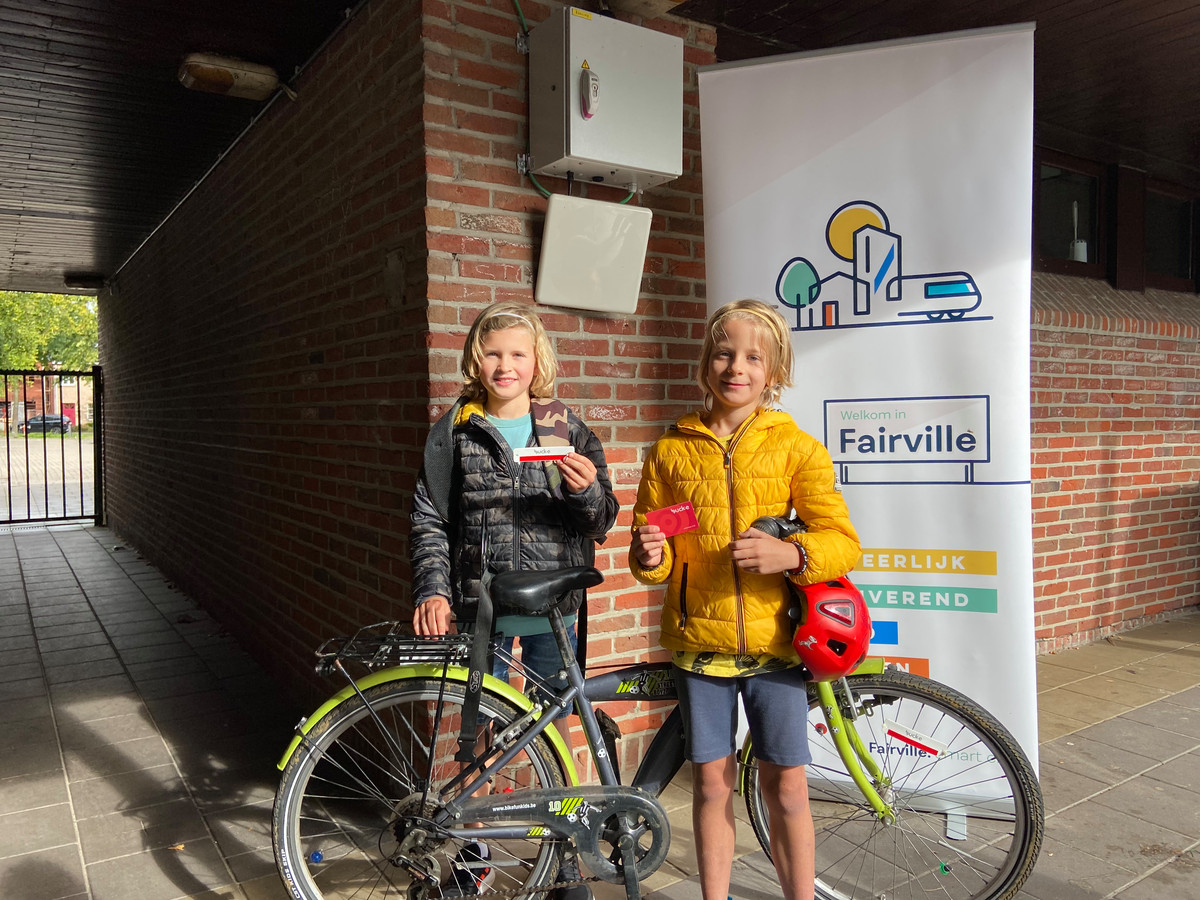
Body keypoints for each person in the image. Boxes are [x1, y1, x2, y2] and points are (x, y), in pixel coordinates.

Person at [628, 299, 860, 900]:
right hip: (700, 648)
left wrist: (794, 556)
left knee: (787, 785)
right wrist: (650, 557)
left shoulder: (797, 448)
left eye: (754, 357)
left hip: (777, 644)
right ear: (706, 362)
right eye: (725, 352)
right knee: (711, 784)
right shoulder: (669, 451)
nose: (737, 367)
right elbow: (650, 554)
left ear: (775, 370)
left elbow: (843, 542)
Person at [410, 300, 618, 899]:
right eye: (494, 353)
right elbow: (429, 520)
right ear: (476, 358)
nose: (506, 366)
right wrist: (433, 588)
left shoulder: (566, 427)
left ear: (538, 361)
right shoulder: (453, 432)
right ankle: (473, 858)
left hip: (556, 610)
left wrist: (585, 494)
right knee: (479, 735)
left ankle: (567, 860)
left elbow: (601, 520)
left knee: (558, 730)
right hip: (486, 609)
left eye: (518, 354)